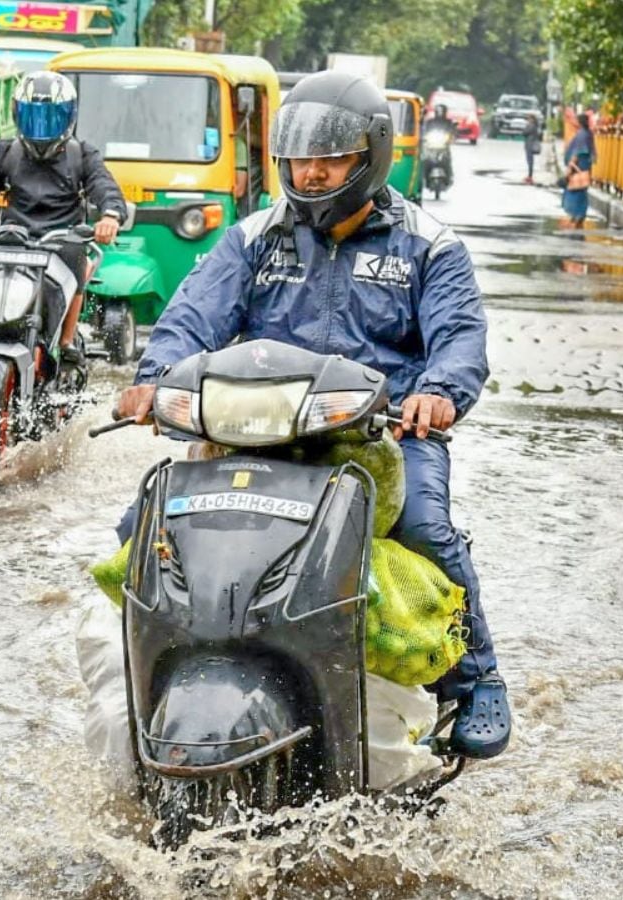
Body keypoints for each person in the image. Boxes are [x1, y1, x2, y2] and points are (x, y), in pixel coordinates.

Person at [109, 70, 511, 760]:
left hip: (382, 436)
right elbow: (189, 319)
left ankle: (476, 680)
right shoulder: (254, 238)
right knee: (141, 528)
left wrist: (439, 391)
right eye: (301, 159)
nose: (314, 173)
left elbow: (460, 341)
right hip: (262, 433)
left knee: (426, 526)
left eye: (332, 158)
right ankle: (148, 676)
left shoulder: (429, 248)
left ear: (372, 157)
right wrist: (153, 381)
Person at [0, 71, 126, 362]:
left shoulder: (83, 155)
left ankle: (65, 344)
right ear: (18, 115)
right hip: (11, 239)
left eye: (51, 118)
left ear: (69, 117)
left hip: (60, 239)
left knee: (76, 252)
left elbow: (105, 187)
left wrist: (110, 216)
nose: (41, 128)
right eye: (33, 117)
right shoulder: (4, 152)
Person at [562, 112, 596, 227]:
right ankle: (580, 215)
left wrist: (571, 166)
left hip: (578, 168)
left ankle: (577, 215)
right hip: (585, 168)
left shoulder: (581, 135)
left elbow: (578, 152)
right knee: (582, 192)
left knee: (575, 192)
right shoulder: (588, 134)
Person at [423, 103, 456, 181]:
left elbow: (453, 131)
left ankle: (449, 176)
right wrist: (424, 137)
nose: (440, 113)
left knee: (447, 159)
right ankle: (425, 177)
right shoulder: (430, 122)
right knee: (426, 160)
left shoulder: (448, 122)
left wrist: (452, 136)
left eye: (441, 111)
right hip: (432, 145)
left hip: (444, 145)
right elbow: (425, 130)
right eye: (438, 111)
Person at [523, 111, 542, 184]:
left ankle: (530, 176)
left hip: (530, 145)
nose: (527, 120)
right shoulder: (535, 126)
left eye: (528, 118)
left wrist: (526, 127)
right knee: (530, 161)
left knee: (530, 161)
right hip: (530, 144)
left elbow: (524, 133)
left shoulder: (531, 125)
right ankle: (529, 176)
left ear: (532, 119)